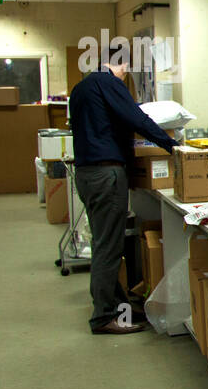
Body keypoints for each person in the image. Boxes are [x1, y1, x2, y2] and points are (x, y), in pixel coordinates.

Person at [68, 42, 177, 335]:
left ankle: (119, 307)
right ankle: (103, 316)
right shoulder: (109, 83)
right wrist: (172, 145)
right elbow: (136, 118)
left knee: (105, 242)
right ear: (123, 65)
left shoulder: (81, 88)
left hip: (87, 174)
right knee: (109, 247)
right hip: (106, 174)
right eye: (127, 68)